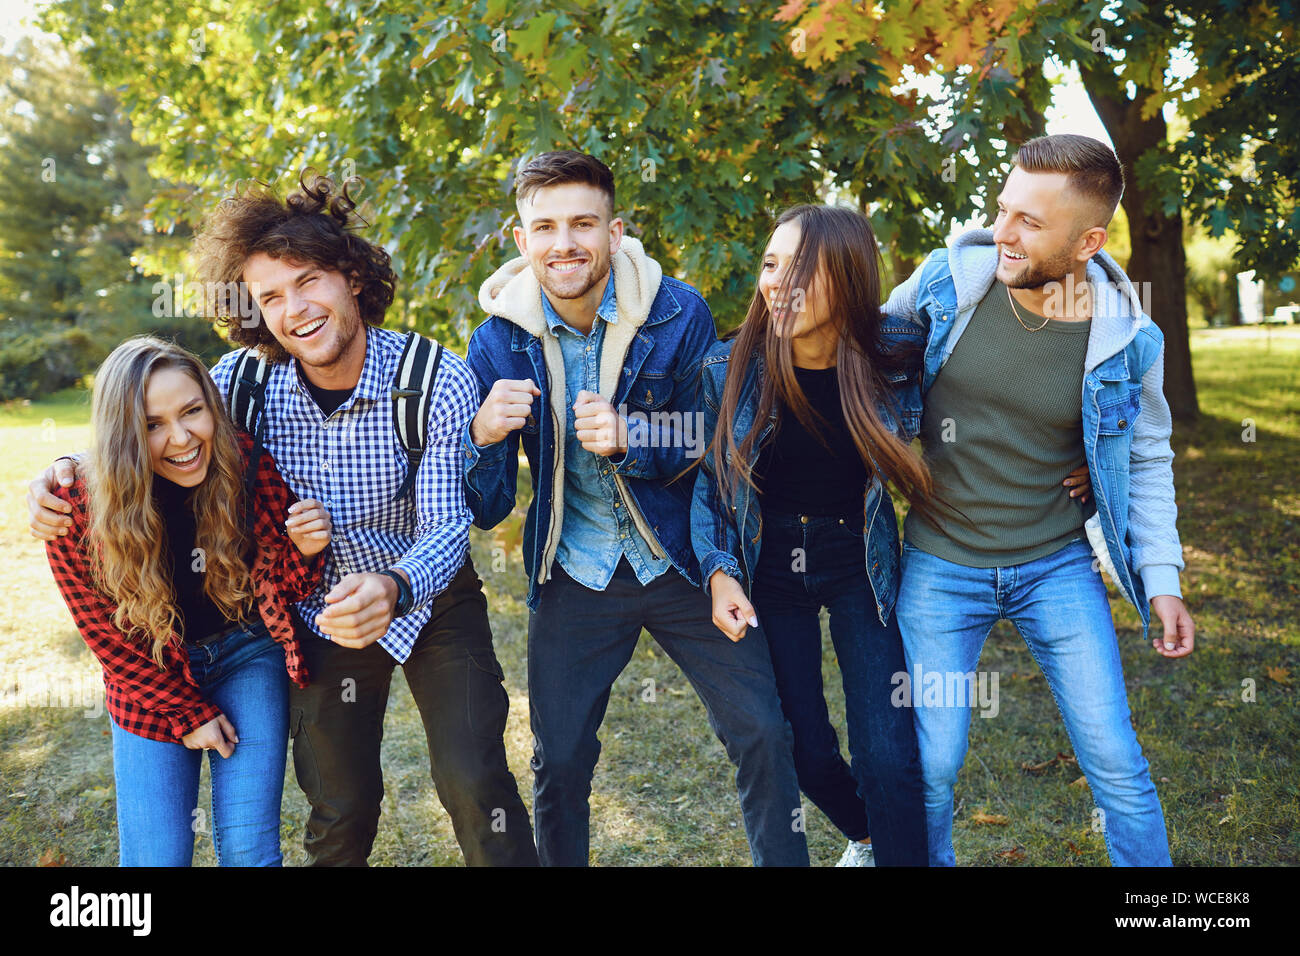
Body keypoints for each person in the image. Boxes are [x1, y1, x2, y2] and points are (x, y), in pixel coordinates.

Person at [29, 173, 538, 867]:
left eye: (309, 281)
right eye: (271, 296)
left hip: (428, 594)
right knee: (339, 804)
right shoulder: (240, 383)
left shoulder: (434, 376)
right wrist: (61, 473)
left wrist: (390, 587)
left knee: (477, 784)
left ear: (352, 277)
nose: (294, 309)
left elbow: (449, 527)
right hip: (316, 605)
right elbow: (148, 420)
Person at [464, 150, 809, 866]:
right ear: (521, 240)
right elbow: (488, 506)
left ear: (614, 232)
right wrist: (483, 435)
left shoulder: (678, 312)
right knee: (558, 761)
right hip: (576, 572)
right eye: (547, 227)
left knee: (765, 735)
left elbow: (711, 439)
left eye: (583, 224)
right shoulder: (496, 342)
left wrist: (634, 437)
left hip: (682, 559)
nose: (566, 243)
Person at [883, 133, 1196, 866]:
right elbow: (859, 361)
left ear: (1089, 240)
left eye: (1029, 221)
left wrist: (1163, 581)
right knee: (930, 765)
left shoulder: (1128, 338)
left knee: (1116, 759)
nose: (1004, 233)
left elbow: (1146, 457)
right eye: (1003, 209)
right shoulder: (946, 283)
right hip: (939, 563)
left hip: (1054, 566)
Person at [691, 204, 935, 866]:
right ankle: (867, 835)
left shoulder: (894, 359)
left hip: (859, 561)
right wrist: (719, 571)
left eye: (805, 271)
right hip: (769, 566)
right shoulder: (728, 368)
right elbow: (710, 487)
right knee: (802, 744)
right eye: (773, 265)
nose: (779, 284)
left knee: (888, 751)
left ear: (850, 282)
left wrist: (1078, 460)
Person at [44, 337, 329, 866]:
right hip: (148, 680)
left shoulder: (242, 464)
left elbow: (279, 586)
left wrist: (306, 551)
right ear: (123, 434)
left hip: (246, 654)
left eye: (192, 411)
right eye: (152, 425)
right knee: (157, 859)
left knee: (250, 851)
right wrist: (187, 711)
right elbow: (107, 638)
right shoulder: (74, 507)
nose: (182, 438)